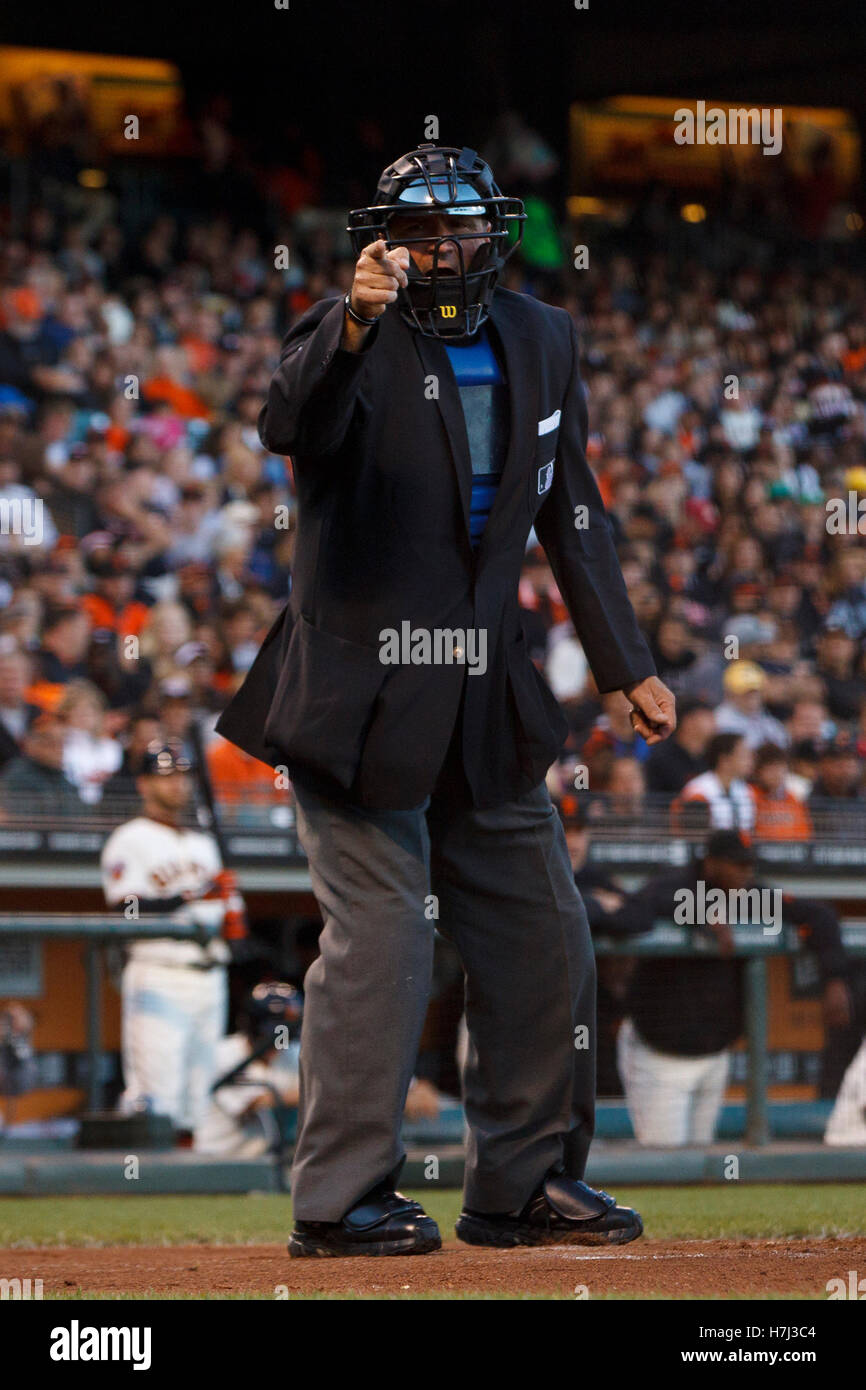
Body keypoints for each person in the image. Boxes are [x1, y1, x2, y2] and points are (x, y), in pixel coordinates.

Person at [216, 142, 676, 1257]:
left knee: (546, 939)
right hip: (356, 698)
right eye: (417, 232)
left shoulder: (543, 335)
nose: (440, 248)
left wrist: (622, 660)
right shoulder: (346, 326)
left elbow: (571, 510)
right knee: (382, 945)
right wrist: (353, 325)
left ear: (491, 232)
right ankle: (339, 1202)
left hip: (489, 698)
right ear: (384, 240)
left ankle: (519, 1186)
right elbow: (288, 424)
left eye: (458, 228)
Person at [608, 831, 849, 1146]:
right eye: (736, 865)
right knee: (665, 1166)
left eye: (749, 866)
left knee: (700, 1164)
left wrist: (834, 978)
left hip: (713, 1056)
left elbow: (819, 916)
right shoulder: (675, 885)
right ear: (711, 863)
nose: (744, 873)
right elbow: (634, 910)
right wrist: (697, 914)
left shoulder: (749, 895)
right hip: (659, 1057)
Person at [99, 740, 232, 1139]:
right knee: (157, 1094)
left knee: (199, 1099)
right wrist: (188, 896)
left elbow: (225, 910)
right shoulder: (129, 838)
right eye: (166, 775)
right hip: (159, 972)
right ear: (143, 784)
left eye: (183, 775)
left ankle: (187, 1192)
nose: (177, 784)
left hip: (210, 974)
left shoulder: (204, 843)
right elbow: (125, 910)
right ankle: (141, 1181)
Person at [195, 982, 303, 1158]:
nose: (278, 1044)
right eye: (269, 1035)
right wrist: (315, 1093)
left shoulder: (292, 1053)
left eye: (285, 1036)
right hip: (218, 1159)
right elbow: (256, 1103)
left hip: (265, 1161)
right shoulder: (221, 1055)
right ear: (251, 1028)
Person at [673, 731, 755, 831]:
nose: (750, 761)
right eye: (743, 755)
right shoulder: (697, 790)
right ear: (725, 760)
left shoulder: (746, 790)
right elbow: (692, 835)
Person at [644, 696, 715, 796]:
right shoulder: (662, 758)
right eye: (707, 717)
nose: (714, 723)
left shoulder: (711, 758)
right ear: (688, 722)